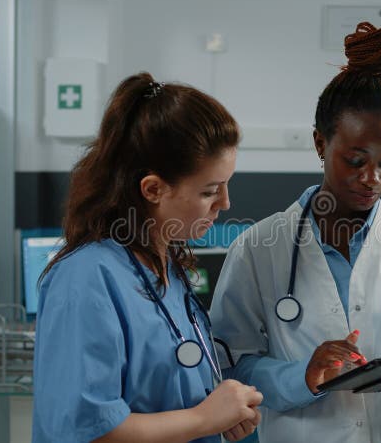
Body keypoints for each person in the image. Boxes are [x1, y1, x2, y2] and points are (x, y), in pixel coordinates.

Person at [210, 23, 381, 443]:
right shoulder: (258, 249)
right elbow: (228, 367)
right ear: (319, 143)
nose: (373, 178)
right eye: (355, 160)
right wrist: (304, 376)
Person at [32, 72, 263, 443]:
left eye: (226, 185)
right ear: (153, 189)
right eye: (209, 191)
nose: (225, 203)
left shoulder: (165, 267)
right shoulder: (87, 278)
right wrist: (204, 419)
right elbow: (89, 430)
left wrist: (221, 415)